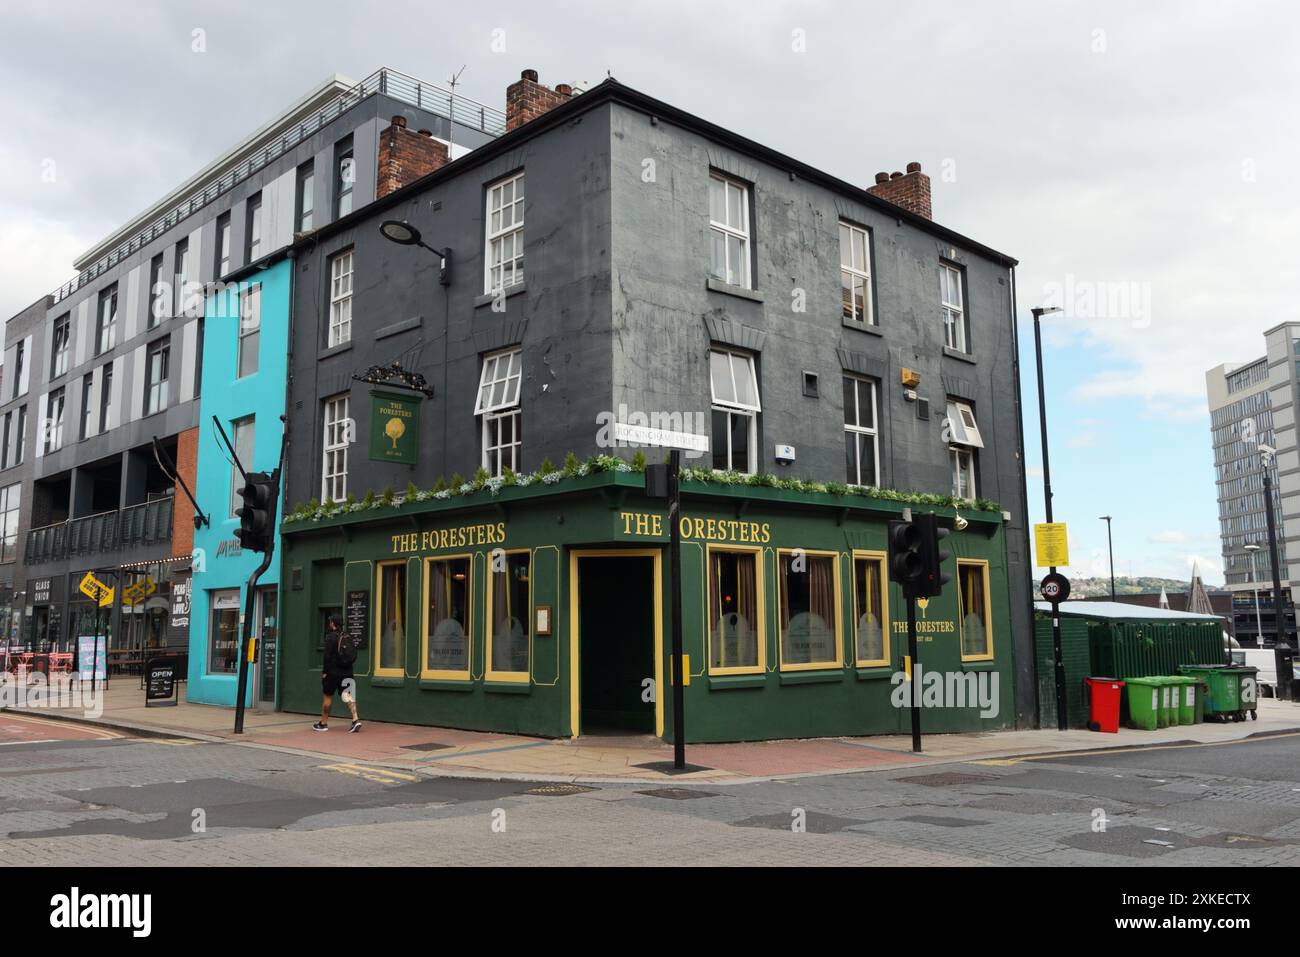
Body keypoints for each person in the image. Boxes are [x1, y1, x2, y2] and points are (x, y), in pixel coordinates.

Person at [315, 613, 360, 732]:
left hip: (332, 673)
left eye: (330, 622)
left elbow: (327, 657)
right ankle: (355, 719)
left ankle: (323, 723)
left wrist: (325, 672)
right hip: (347, 671)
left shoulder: (330, 637)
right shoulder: (347, 636)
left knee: (327, 697)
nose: (329, 624)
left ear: (333, 624)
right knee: (347, 695)